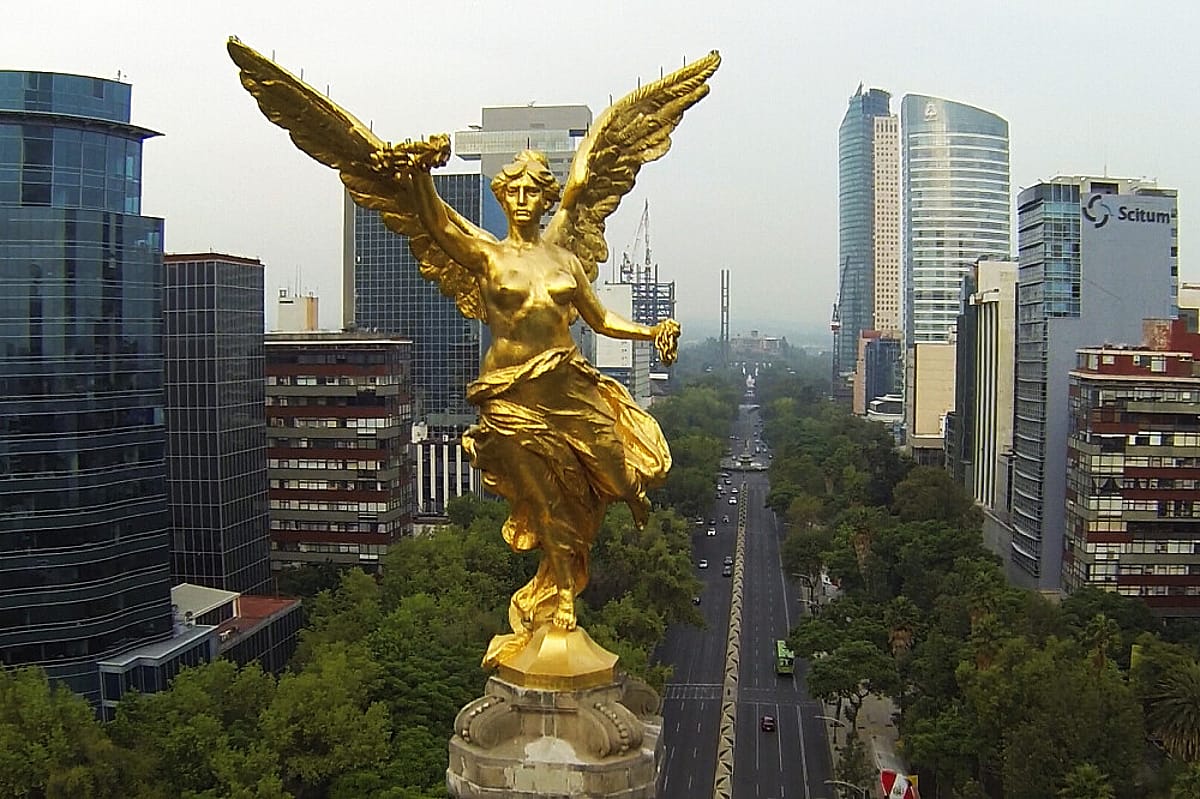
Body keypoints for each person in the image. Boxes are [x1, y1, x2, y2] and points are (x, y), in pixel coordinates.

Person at [409, 149, 679, 665]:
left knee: (621, 479)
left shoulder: (565, 261)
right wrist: (419, 175)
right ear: (502, 196)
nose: (523, 200)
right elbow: (436, 222)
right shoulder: (488, 256)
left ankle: (619, 498)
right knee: (546, 499)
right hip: (510, 395)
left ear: (545, 197)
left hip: (568, 386)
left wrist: (651, 329)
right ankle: (561, 597)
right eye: (514, 191)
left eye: (533, 191)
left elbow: (598, 321)